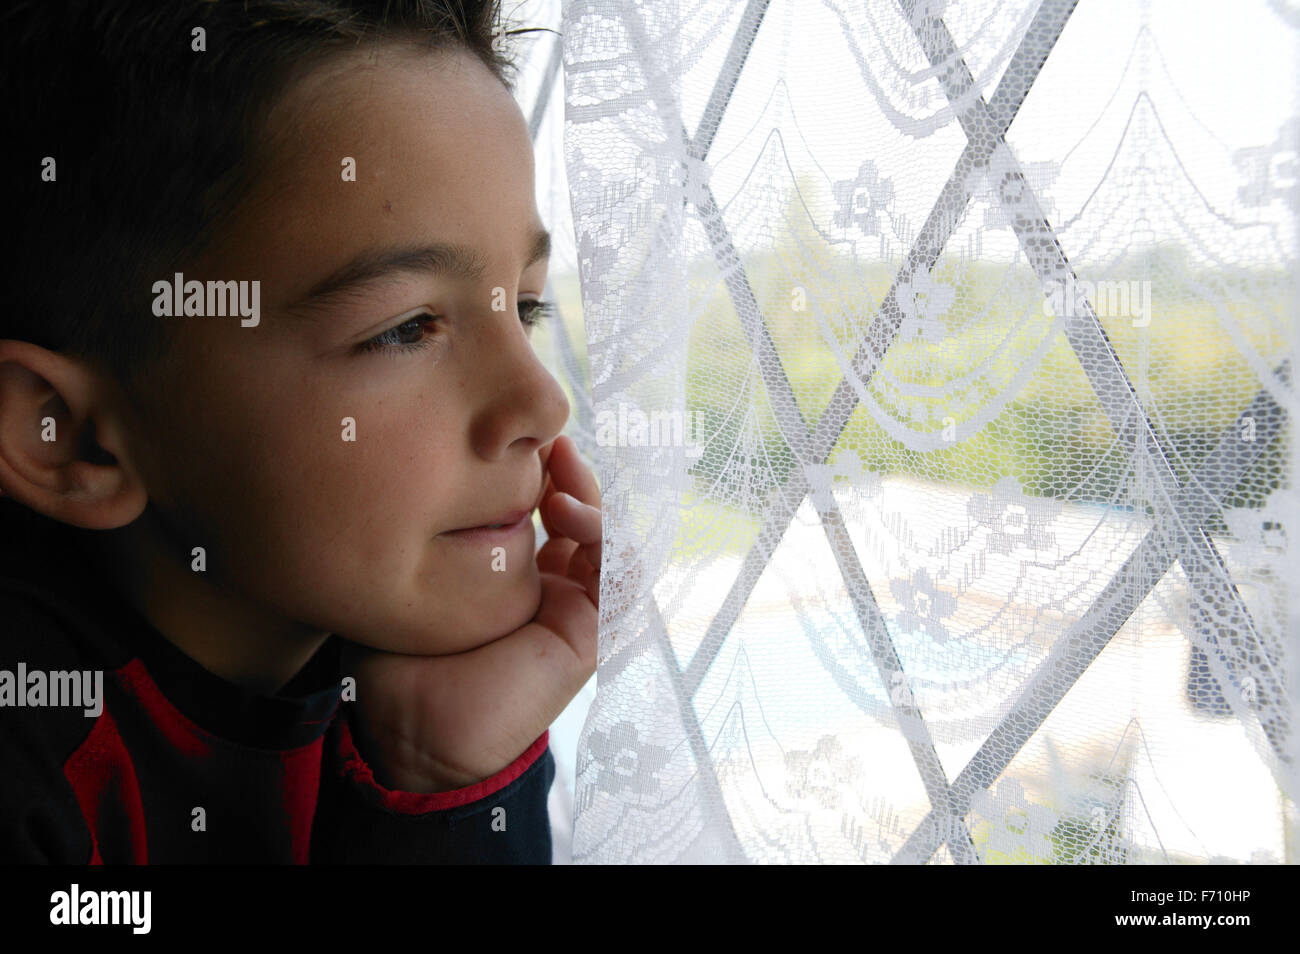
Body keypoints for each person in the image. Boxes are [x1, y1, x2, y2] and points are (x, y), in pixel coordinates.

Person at [0, 0, 600, 864]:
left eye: (527, 306)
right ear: (73, 437)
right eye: (405, 328)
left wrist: (444, 777)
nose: (543, 403)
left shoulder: (397, 655)